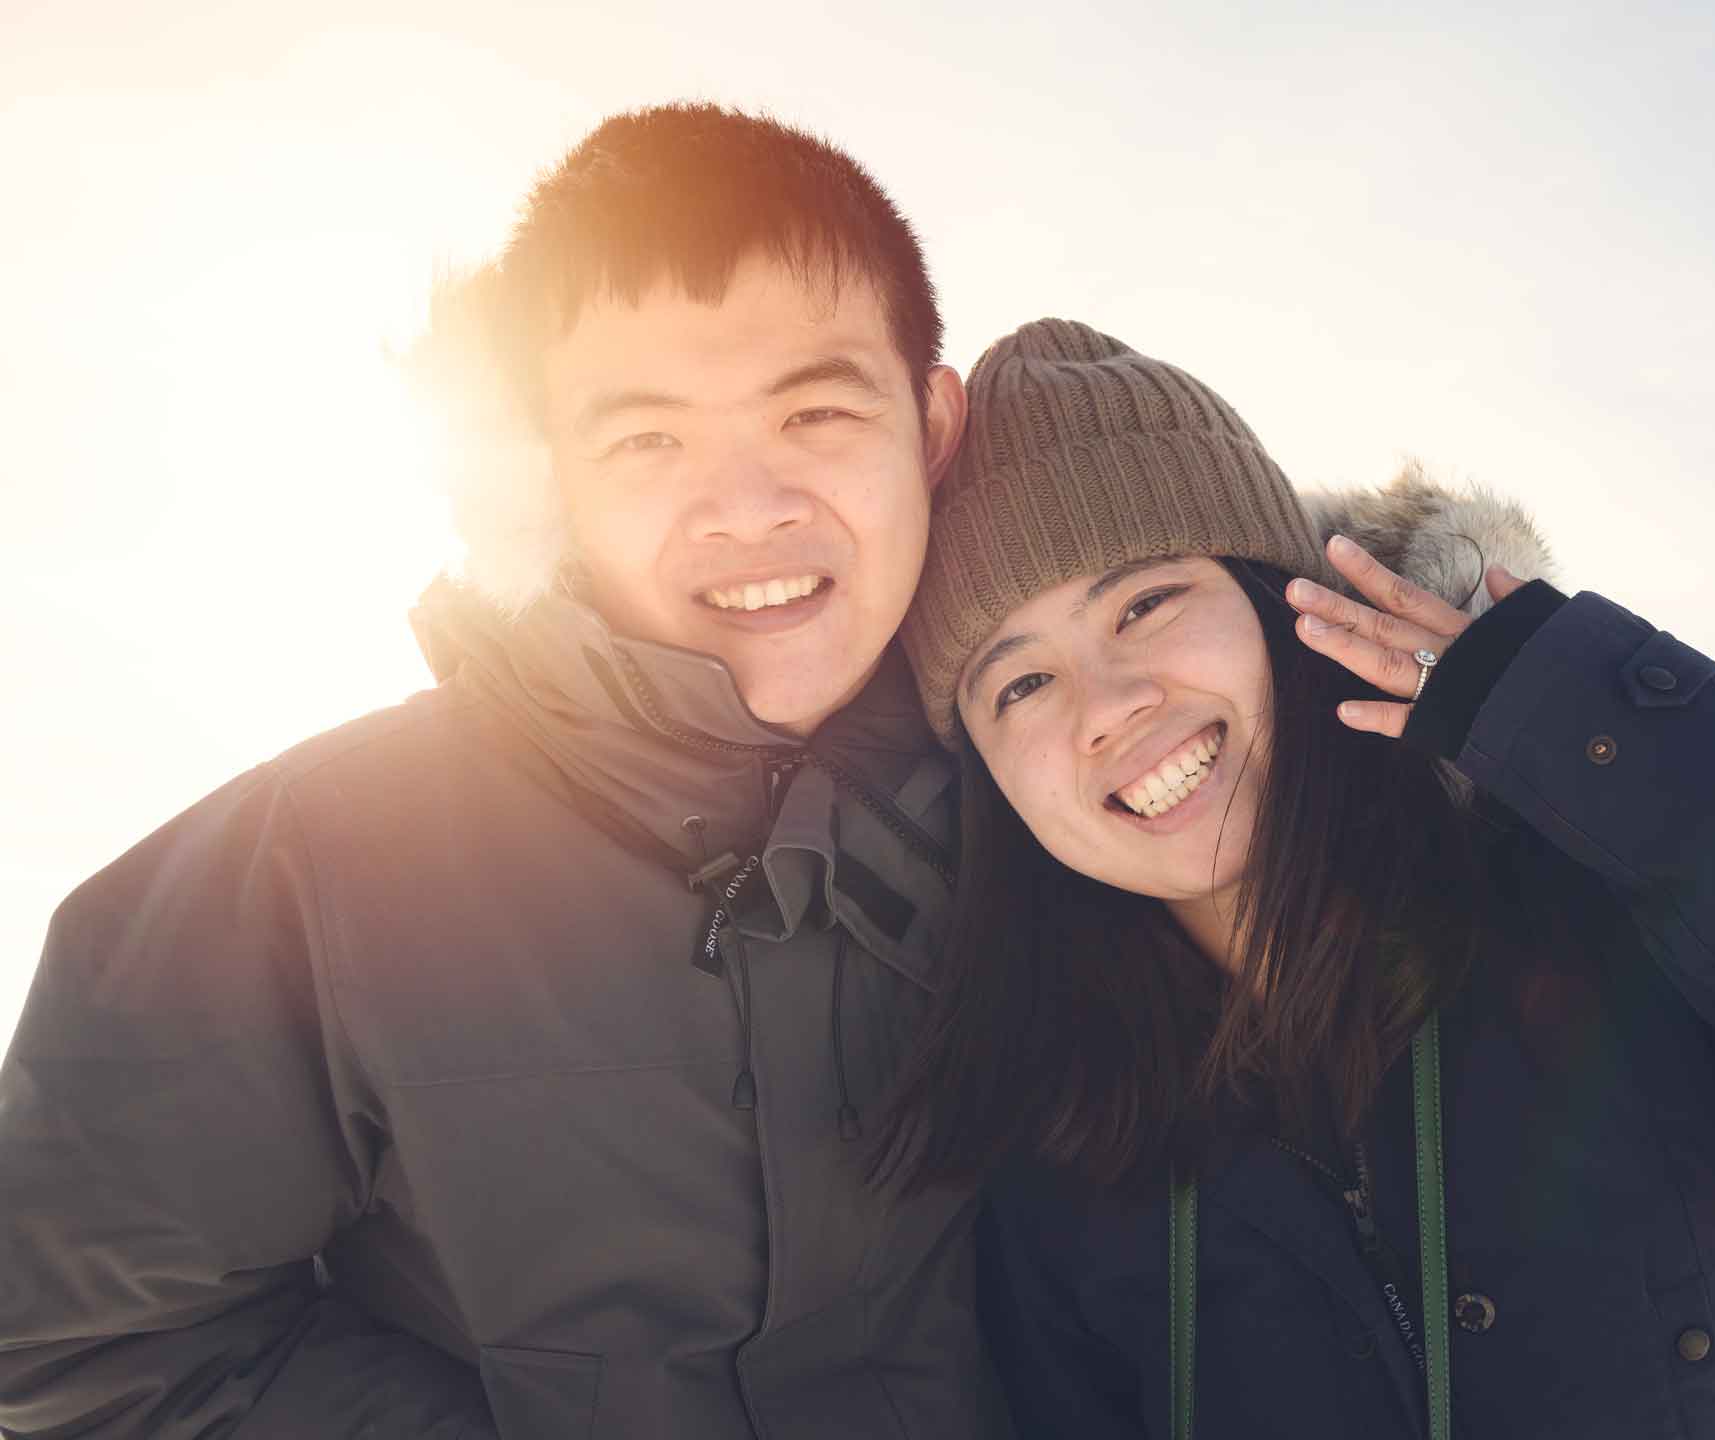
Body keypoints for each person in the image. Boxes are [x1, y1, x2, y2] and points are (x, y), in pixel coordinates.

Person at [0, 105, 1009, 1438]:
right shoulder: (327, 865)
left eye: (817, 409)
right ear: (550, 476)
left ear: (931, 425)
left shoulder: (1048, 800)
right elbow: (67, 1340)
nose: (746, 506)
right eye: (646, 440)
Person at [884, 318, 1715, 1437]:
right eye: (1019, 685)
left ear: (1287, 610)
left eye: (1146, 604)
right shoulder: (1052, 1168)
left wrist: (1571, 714)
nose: (1108, 706)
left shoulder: (1597, 895)